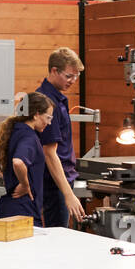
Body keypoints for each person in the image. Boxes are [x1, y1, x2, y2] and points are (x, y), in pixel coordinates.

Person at [0, 93, 53, 225]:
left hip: (7, 209)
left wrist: (5, 175)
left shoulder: (12, 132)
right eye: (48, 117)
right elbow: (18, 162)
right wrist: (24, 184)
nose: (49, 122)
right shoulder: (29, 137)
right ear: (36, 114)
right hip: (23, 211)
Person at [37, 47, 86, 229]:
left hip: (62, 178)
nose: (73, 81)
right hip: (54, 182)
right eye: (68, 76)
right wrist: (68, 194)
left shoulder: (57, 99)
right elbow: (49, 153)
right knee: (57, 236)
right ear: (54, 70)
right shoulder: (47, 102)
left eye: (76, 76)